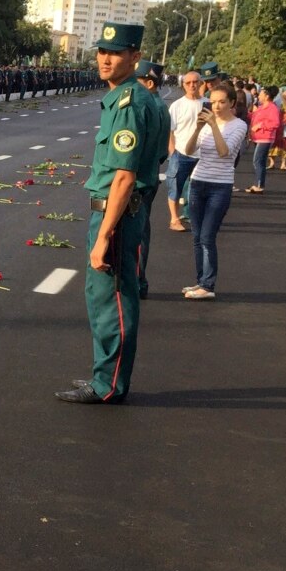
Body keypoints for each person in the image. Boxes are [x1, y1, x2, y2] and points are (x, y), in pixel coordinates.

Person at [56, 21, 160, 405]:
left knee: (111, 301)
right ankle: (106, 377)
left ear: (135, 57)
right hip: (124, 213)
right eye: (101, 51)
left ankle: (109, 385)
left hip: (116, 215)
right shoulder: (134, 98)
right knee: (109, 298)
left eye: (115, 53)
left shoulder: (130, 104)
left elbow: (123, 177)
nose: (105, 58)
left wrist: (103, 237)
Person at [182, 85, 247, 300]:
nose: (216, 106)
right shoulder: (207, 125)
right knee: (197, 236)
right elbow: (190, 150)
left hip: (220, 186)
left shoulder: (239, 126)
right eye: (213, 101)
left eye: (221, 102)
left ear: (231, 104)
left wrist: (214, 126)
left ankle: (208, 285)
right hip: (198, 181)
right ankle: (201, 282)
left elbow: (224, 153)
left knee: (208, 237)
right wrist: (199, 128)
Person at [133, 60, 169, 299]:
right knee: (141, 229)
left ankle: (137, 281)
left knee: (136, 233)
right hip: (152, 174)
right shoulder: (160, 106)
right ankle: (138, 280)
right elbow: (163, 151)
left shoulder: (148, 107)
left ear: (148, 82)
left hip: (140, 179)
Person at [166, 71, 203, 231]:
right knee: (176, 187)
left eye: (195, 82)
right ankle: (174, 219)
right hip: (181, 153)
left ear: (201, 83)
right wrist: (173, 151)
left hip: (202, 155)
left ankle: (193, 216)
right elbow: (170, 131)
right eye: (188, 83)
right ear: (183, 85)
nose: (192, 85)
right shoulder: (177, 105)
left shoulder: (208, 104)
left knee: (197, 189)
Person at [247, 86, 280, 193]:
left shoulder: (272, 108)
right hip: (258, 137)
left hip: (265, 138)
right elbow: (253, 117)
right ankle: (258, 183)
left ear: (267, 96)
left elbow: (275, 123)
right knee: (260, 161)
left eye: (261, 94)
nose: (259, 95)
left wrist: (261, 125)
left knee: (257, 161)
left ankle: (259, 185)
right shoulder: (261, 107)